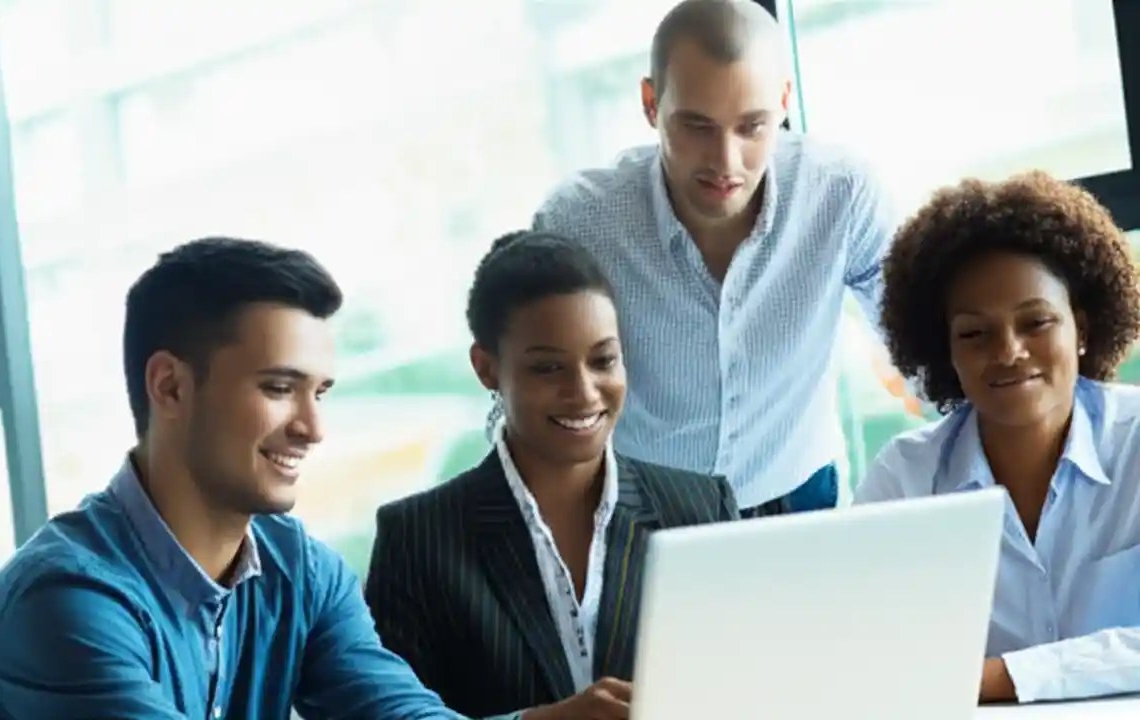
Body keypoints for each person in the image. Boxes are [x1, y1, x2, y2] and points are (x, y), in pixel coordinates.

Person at [0, 238, 461, 719]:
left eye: (319, 393)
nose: (313, 429)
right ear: (169, 387)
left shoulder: (302, 573)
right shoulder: (66, 601)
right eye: (280, 388)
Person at [533, 0, 899, 515]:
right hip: (643, 507)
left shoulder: (840, 194)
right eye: (697, 127)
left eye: (752, 127)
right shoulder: (581, 222)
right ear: (650, 103)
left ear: (784, 102)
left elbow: (922, 343)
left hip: (800, 494)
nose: (726, 162)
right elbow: (533, 392)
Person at [365, 230, 739, 719]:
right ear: (486, 368)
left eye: (603, 360)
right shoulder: (418, 539)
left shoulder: (700, 510)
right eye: (548, 369)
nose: (584, 392)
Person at [853, 171, 1140, 704]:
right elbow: (861, 643)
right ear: (946, 350)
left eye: (1036, 323)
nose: (1008, 351)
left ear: (1082, 327)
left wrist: (997, 677)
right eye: (974, 333)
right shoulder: (905, 478)